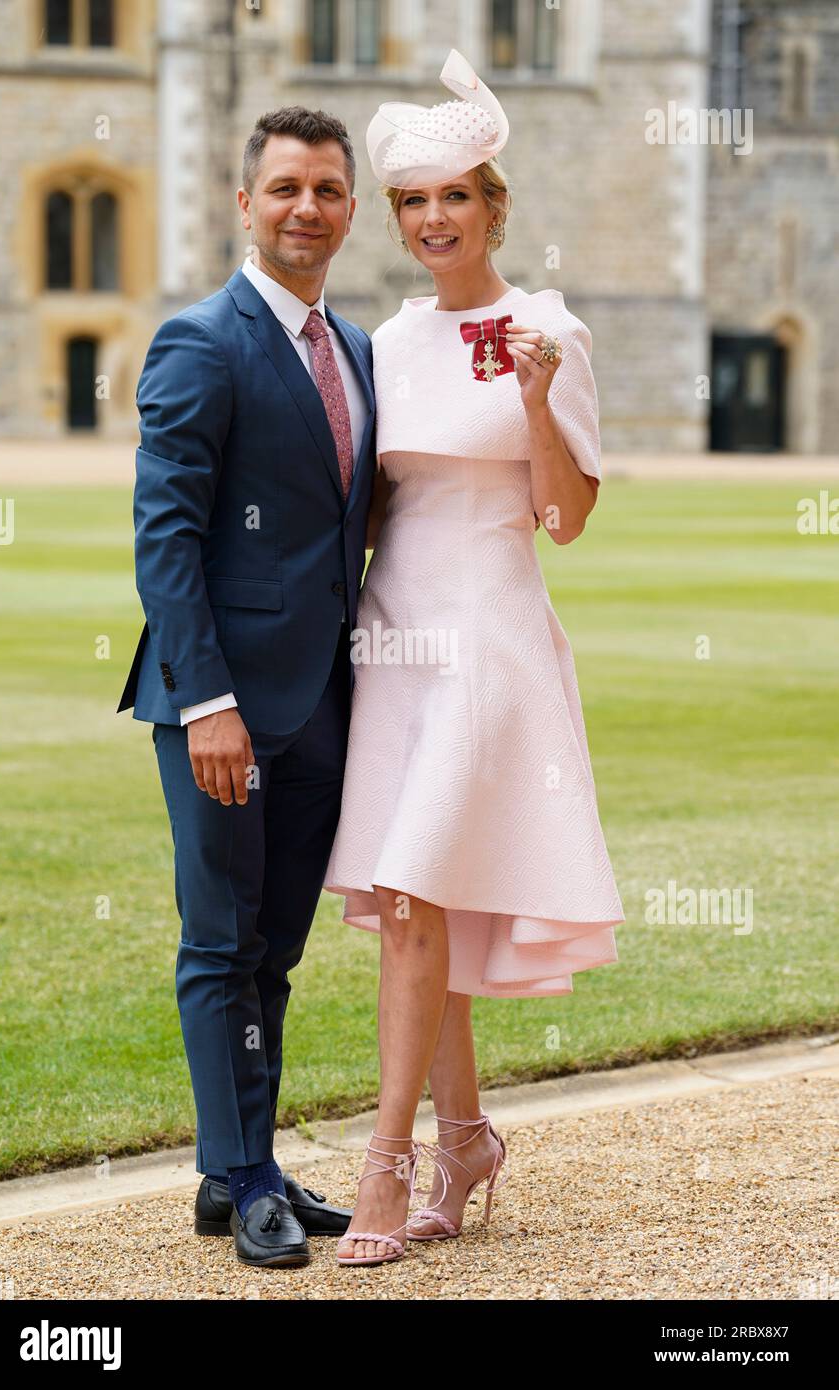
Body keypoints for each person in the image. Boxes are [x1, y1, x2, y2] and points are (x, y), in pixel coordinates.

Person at [324, 50, 625, 1267]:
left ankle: (385, 1171)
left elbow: (565, 519)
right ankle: (466, 1141)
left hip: (489, 640)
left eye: (455, 196)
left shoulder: (547, 328)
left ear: (495, 207)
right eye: (412, 201)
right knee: (417, 898)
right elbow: (369, 507)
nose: (433, 218)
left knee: (411, 896)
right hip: (393, 638)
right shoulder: (383, 340)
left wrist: (543, 402)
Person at [117, 107, 376, 1269]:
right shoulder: (198, 340)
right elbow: (165, 536)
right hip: (219, 705)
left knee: (275, 947)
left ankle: (249, 1165)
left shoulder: (356, 350)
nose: (304, 207)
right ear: (244, 203)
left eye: (325, 189)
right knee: (219, 944)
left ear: (349, 209)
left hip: (324, 700)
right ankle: (233, 1176)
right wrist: (207, 699)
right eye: (283, 188)